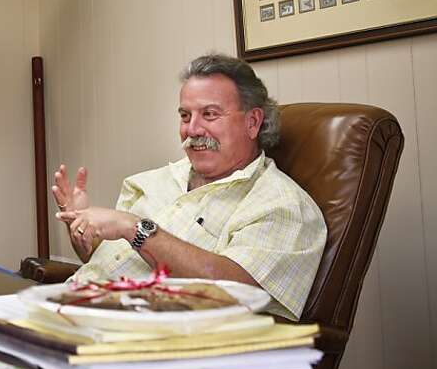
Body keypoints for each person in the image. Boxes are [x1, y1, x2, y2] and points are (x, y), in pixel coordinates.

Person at [53, 53, 326, 320]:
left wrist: (135, 228)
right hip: (67, 309)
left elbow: (236, 292)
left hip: (140, 336)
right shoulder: (155, 180)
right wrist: (82, 229)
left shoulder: (282, 205)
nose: (192, 129)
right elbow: (108, 262)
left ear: (252, 122)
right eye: (185, 116)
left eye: (210, 114)